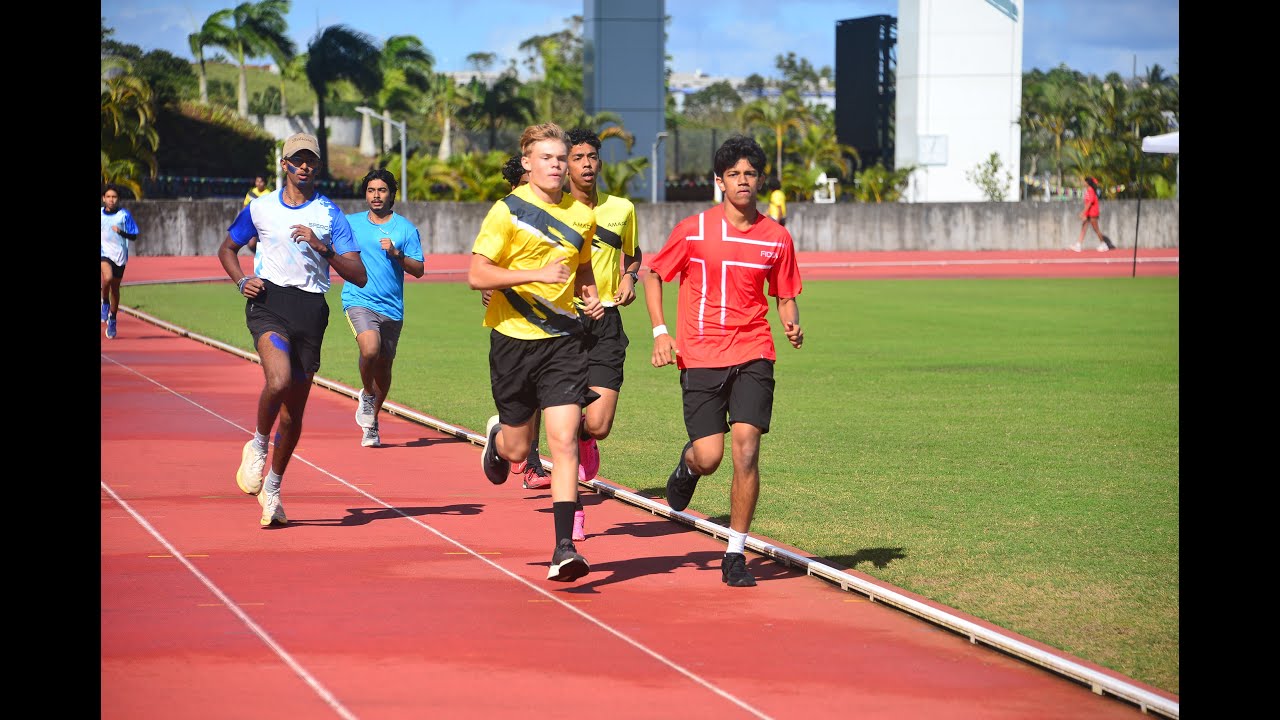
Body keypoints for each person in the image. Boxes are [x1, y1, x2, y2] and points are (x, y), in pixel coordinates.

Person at [642, 134, 804, 587]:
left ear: (760, 179)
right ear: (719, 182)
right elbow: (654, 274)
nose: (743, 181)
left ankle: (735, 552)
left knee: (747, 447)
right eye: (733, 174)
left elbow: (785, 295)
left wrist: (791, 322)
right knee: (711, 456)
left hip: (754, 351)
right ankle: (688, 465)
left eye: (750, 173)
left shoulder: (777, 237)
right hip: (700, 354)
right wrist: (660, 332)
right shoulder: (693, 229)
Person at [468, 122, 605, 582]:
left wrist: (589, 293)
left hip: (564, 343)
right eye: (547, 158)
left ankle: (564, 546)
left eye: (562, 159)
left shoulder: (582, 215)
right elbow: (477, 275)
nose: (557, 166)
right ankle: (498, 439)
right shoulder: (505, 212)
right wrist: (532, 276)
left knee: (564, 441)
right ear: (527, 163)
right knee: (518, 448)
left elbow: (582, 265)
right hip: (512, 342)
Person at [216, 132, 368, 528]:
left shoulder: (331, 215)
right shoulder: (261, 208)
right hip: (269, 303)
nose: (304, 166)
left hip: (311, 310)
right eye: (297, 160)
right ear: (284, 164)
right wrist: (239, 281)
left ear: (317, 166)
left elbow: (359, 275)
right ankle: (258, 444)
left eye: (311, 161)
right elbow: (227, 249)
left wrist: (325, 249)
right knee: (279, 379)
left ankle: (274, 489)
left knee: (293, 413)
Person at [554, 127, 642, 543]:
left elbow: (633, 253)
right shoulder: (553, 209)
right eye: (578, 157)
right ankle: (572, 517)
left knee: (599, 424)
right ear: (565, 165)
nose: (586, 164)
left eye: (592, 156)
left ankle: (588, 440)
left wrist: (629, 277)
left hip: (606, 321)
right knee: (567, 424)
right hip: (563, 324)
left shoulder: (622, 208)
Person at [343, 168, 425, 448]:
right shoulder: (351, 223)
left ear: (391, 194)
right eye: (370, 190)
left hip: (392, 306)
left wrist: (397, 254)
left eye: (381, 190)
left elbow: (419, 270)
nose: (376, 196)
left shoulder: (405, 229)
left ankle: (372, 422)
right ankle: (367, 394)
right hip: (359, 299)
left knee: (385, 366)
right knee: (370, 349)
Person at [100, 184, 140, 340]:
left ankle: (113, 318)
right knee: (107, 278)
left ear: (118, 199)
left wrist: (121, 231)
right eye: (108, 197)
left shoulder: (124, 215)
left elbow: (134, 235)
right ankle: (104, 302)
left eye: (114, 197)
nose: (111, 200)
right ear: (103, 198)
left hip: (120, 256)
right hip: (104, 253)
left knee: (115, 289)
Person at [1071, 176, 1114, 252]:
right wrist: (1085, 213)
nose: (1083, 183)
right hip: (1088, 213)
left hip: (1093, 212)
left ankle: (1104, 244)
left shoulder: (1090, 191)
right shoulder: (1088, 190)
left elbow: (1090, 203)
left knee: (1096, 229)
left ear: (1088, 183)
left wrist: (1083, 212)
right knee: (1083, 228)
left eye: (1085, 182)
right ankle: (1078, 245)